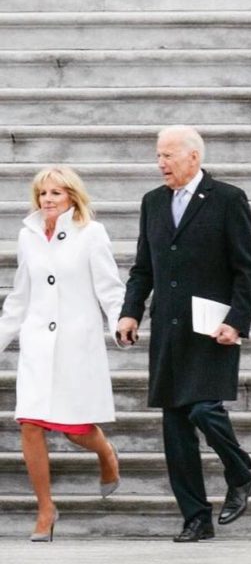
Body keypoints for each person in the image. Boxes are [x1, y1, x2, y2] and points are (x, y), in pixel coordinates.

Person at [117, 126, 251, 542]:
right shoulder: (152, 202)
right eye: (158, 156)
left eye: (168, 155)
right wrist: (131, 313)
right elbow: (144, 267)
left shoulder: (228, 199)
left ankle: (239, 470)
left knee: (202, 408)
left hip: (212, 327)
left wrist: (237, 320)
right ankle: (196, 518)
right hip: (167, 329)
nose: (160, 163)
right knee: (176, 427)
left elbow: (247, 268)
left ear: (193, 157)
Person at [0, 166, 124, 542]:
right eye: (42, 194)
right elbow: (20, 297)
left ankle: (106, 453)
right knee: (30, 424)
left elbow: (109, 288)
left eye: (56, 193)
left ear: (72, 195)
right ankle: (45, 508)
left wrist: (121, 323)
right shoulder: (28, 236)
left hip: (76, 345)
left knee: (76, 430)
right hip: (38, 346)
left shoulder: (92, 233)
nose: (48, 200)